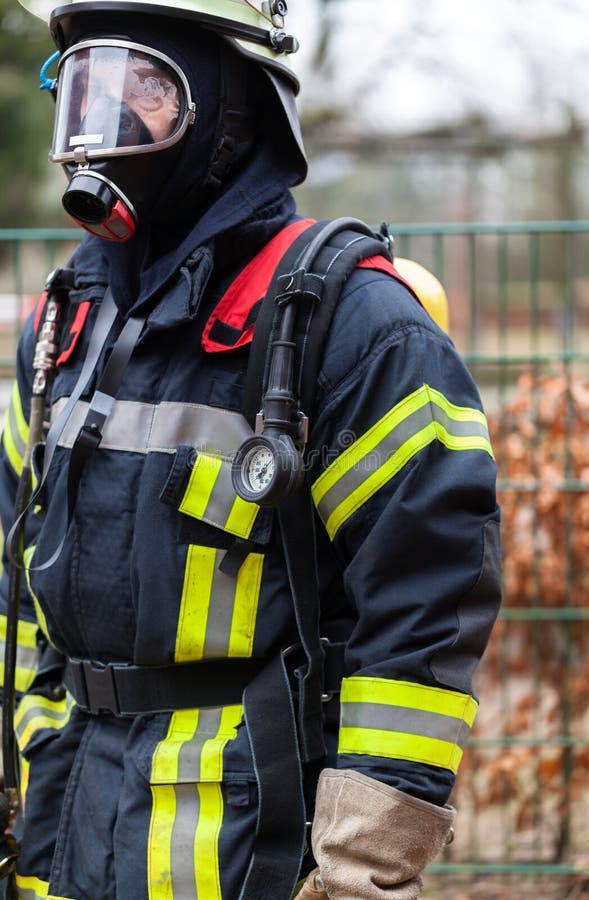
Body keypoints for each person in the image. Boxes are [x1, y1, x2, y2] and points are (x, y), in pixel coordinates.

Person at [0, 1, 502, 898]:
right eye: (80, 86)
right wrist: (27, 757)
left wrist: (361, 870)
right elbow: (15, 578)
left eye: (141, 86)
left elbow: (422, 618)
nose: (100, 125)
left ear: (233, 107)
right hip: (61, 840)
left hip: (246, 856)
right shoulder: (60, 328)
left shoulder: (354, 327)